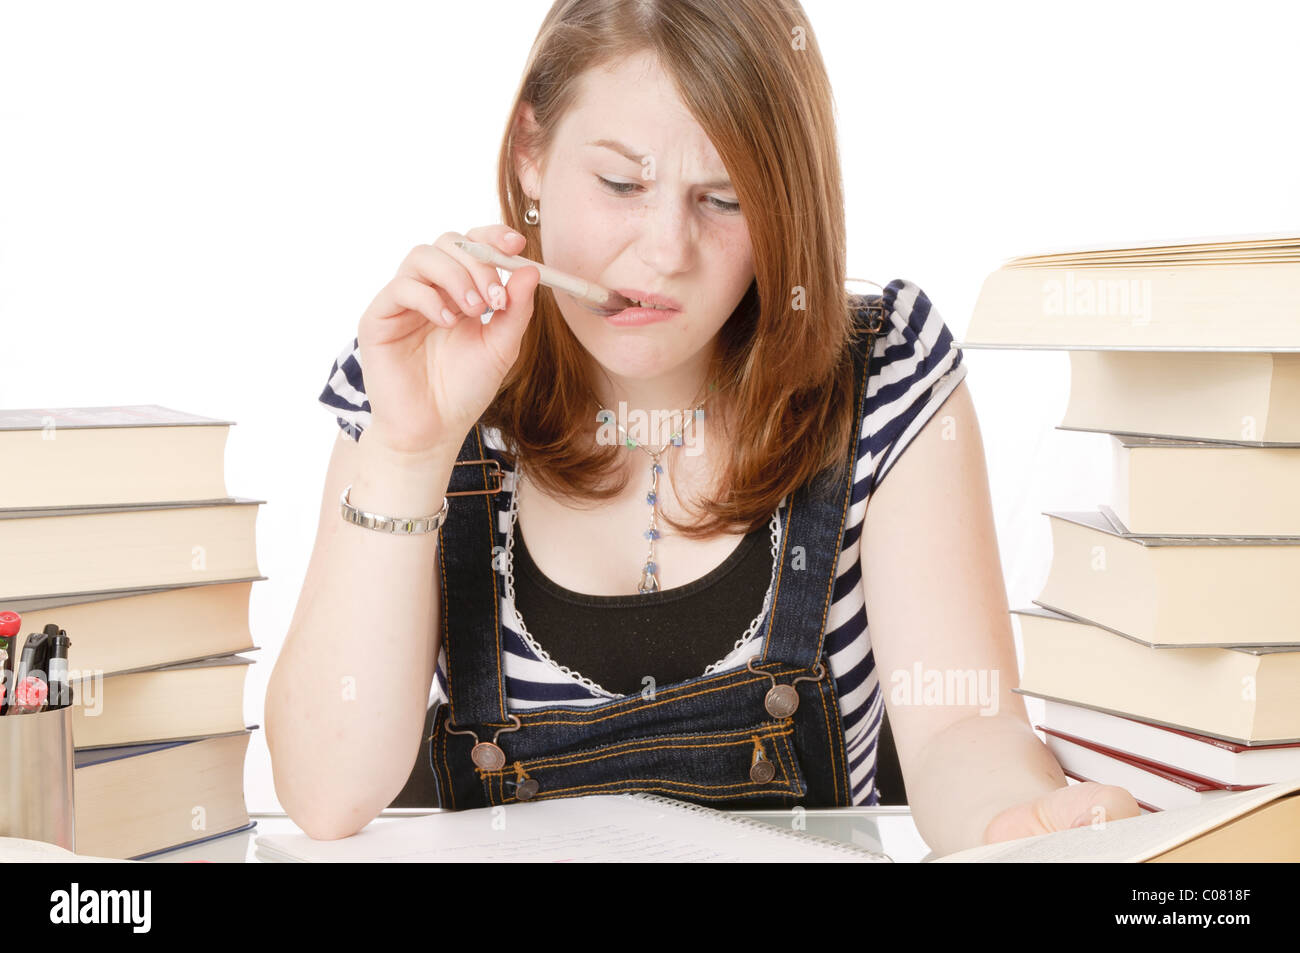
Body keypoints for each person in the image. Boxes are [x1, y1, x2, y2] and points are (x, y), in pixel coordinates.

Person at [266, 0, 1141, 856]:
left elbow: (962, 727)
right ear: (531, 152)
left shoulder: (883, 375)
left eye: (722, 200)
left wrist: (1017, 824)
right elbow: (325, 792)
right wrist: (409, 453)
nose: (665, 250)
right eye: (622, 184)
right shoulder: (416, 371)